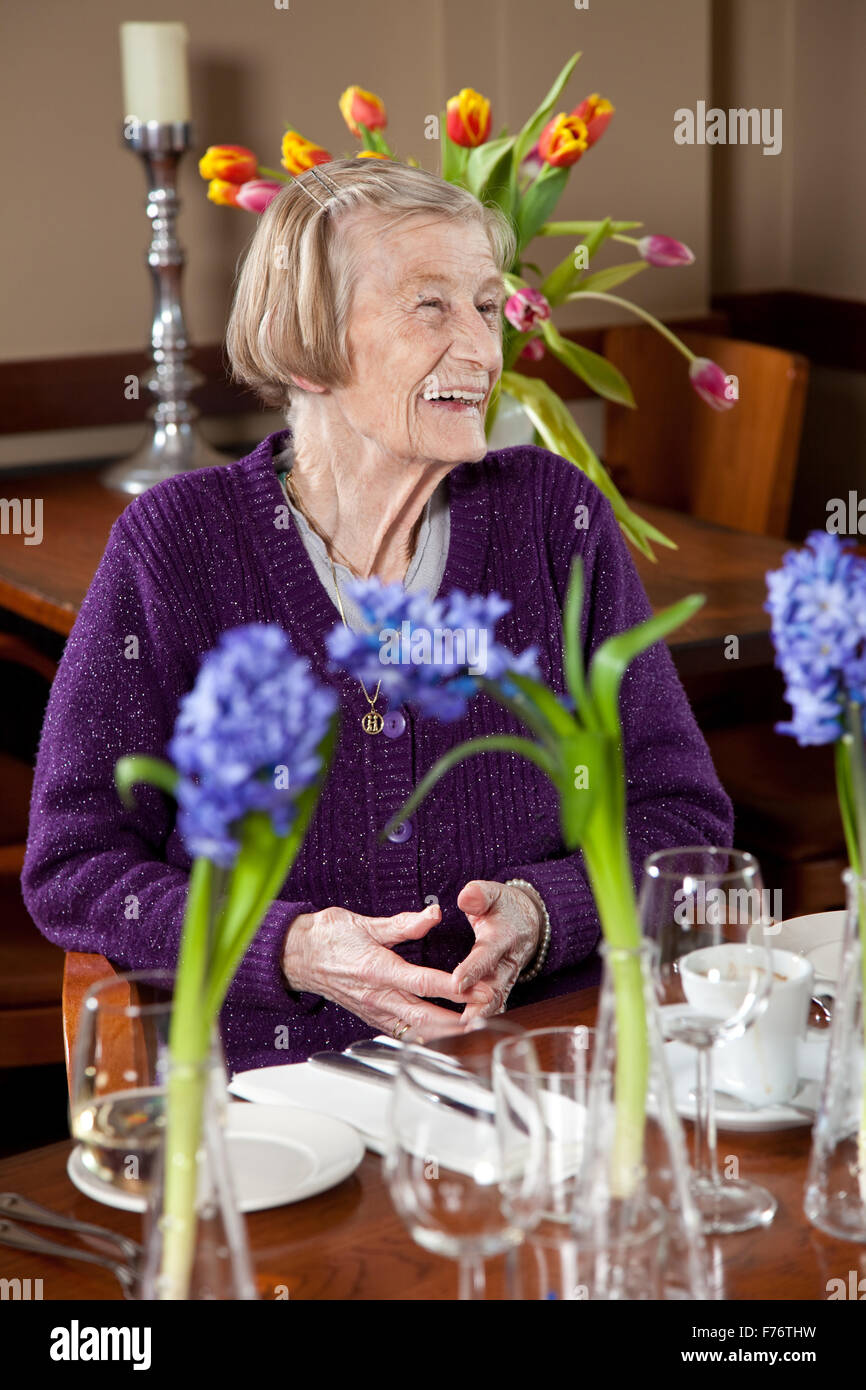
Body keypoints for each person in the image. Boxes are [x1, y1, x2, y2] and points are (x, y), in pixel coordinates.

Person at [21, 158, 733, 1073]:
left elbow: (687, 820)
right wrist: (291, 949)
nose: (481, 349)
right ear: (303, 344)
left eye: (485, 305)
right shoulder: (178, 543)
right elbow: (77, 866)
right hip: (285, 1095)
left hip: (541, 1067)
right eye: (430, 307)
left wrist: (545, 911)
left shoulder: (555, 517)